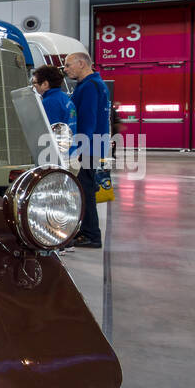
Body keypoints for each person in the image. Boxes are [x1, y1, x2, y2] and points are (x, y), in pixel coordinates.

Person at [63, 51, 110, 248]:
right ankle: (87, 231)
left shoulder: (90, 87)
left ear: (82, 64)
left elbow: (88, 120)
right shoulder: (94, 84)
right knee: (85, 187)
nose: (65, 70)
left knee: (84, 189)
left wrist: (80, 148)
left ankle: (91, 235)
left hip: (89, 146)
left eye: (68, 65)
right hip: (95, 144)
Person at [32, 65, 76, 158]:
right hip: (71, 150)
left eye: (34, 83)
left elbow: (49, 131)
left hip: (58, 155)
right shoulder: (64, 97)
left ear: (45, 84)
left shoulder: (49, 102)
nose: (33, 87)